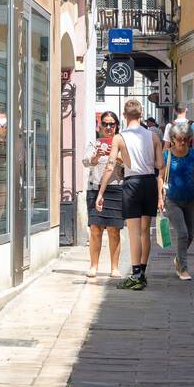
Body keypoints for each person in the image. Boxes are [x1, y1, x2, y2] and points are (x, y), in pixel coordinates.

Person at [97, 98, 164, 290]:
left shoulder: (120, 137)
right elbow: (160, 165)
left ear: (124, 116)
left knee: (134, 232)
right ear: (141, 114)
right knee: (145, 231)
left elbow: (110, 166)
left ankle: (135, 276)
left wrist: (101, 192)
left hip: (132, 182)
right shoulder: (153, 137)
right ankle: (142, 271)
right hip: (149, 182)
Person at [162, 121, 194, 279]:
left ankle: (179, 259)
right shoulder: (166, 154)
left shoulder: (193, 154)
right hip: (172, 199)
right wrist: (160, 198)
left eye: (186, 139)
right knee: (182, 233)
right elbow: (160, 177)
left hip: (190, 198)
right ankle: (182, 268)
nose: (183, 142)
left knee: (191, 234)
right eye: (180, 139)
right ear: (172, 138)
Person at [83, 110, 124, 278]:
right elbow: (85, 162)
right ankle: (94, 266)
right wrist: (96, 155)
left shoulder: (121, 142)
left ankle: (114, 268)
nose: (108, 127)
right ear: (100, 126)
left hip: (115, 188)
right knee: (95, 228)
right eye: (105, 124)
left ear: (116, 126)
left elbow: (128, 164)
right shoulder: (94, 143)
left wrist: (115, 157)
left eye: (111, 124)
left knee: (114, 230)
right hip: (94, 187)